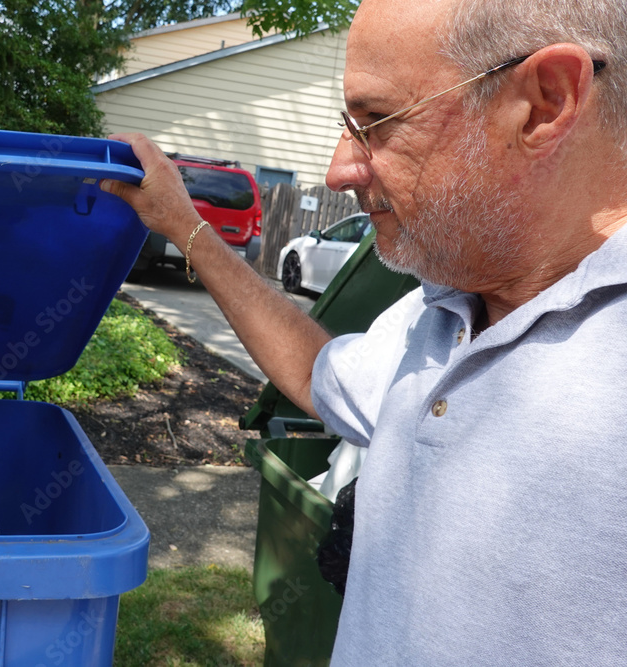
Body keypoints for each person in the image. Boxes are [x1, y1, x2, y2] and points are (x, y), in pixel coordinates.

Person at [100, 0, 627, 663]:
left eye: (376, 121)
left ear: (545, 102)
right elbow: (314, 370)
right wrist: (184, 224)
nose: (338, 169)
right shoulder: (440, 307)